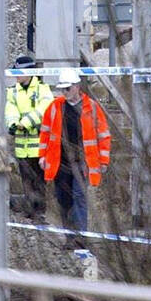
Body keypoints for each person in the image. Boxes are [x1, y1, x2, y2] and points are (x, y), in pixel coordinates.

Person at [39, 68, 111, 249]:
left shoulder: (92, 108)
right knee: (64, 199)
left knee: (80, 197)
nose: (64, 92)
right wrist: (43, 156)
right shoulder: (55, 107)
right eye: (63, 89)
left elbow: (103, 135)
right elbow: (45, 133)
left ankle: (81, 239)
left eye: (68, 88)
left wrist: (103, 161)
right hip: (60, 162)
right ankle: (70, 238)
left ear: (77, 87)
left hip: (82, 163)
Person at [5, 54, 53, 223]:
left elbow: (43, 109)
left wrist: (24, 123)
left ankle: (39, 212)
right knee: (26, 179)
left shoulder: (43, 89)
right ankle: (31, 210)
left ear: (29, 72)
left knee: (39, 180)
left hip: (38, 146)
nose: (16, 75)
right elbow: (10, 110)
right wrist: (12, 123)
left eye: (18, 72)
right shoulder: (13, 92)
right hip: (21, 145)